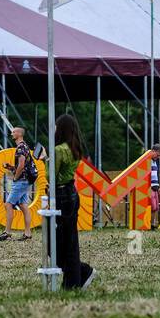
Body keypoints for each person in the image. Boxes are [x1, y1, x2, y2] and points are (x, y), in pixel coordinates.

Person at [54, 113, 94, 290]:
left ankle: (81, 271)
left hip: (61, 194)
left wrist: (45, 160)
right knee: (70, 240)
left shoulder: (59, 150)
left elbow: (51, 175)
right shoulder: (75, 148)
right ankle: (75, 277)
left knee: (56, 241)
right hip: (72, 193)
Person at [0, 126, 36, 242]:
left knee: (8, 204)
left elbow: (21, 165)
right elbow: (22, 165)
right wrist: (11, 167)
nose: (11, 134)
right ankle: (27, 233)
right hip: (26, 180)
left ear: (19, 134)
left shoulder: (20, 148)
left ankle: (7, 232)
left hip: (21, 181)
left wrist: (15, 178)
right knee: (23, 206)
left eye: (13, 132)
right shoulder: (25, 146)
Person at [149, 144, 160, 228]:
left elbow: (156, 175)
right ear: (153, 151)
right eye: (157, 155)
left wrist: (158, 186)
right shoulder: (148, 160)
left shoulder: (155, 162)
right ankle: (149, 223)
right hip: (150, 187)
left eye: (159, 156)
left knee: (156, 207)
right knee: (152, 206)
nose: (158, 157)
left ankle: (152, 224)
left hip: (155, 187)